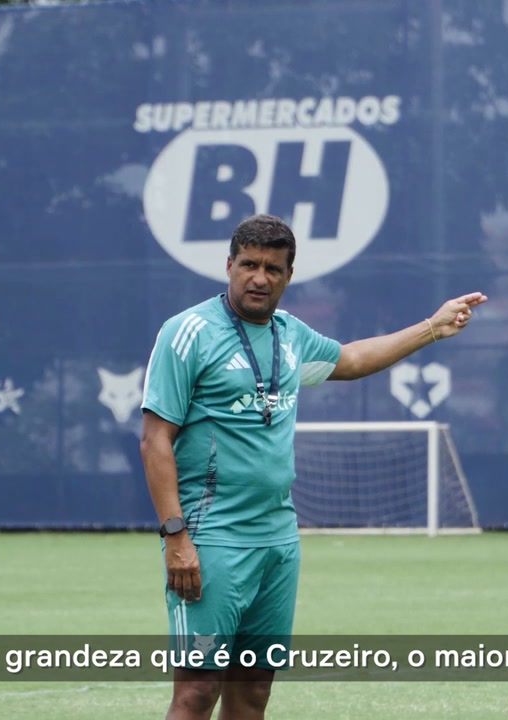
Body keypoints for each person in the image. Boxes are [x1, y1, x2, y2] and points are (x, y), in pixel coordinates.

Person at [139, 214, 485, 720]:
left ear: (289, 275)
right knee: (196, 692)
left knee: (253, 691)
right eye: (249, 265)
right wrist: (176, 538)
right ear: (229, 265)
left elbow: (353, 359)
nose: (259, 278)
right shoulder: (187, 332)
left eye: (273, 269)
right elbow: (154, 440)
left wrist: (431, 328)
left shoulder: (290, 334)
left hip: (278, 541)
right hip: (211, 539)